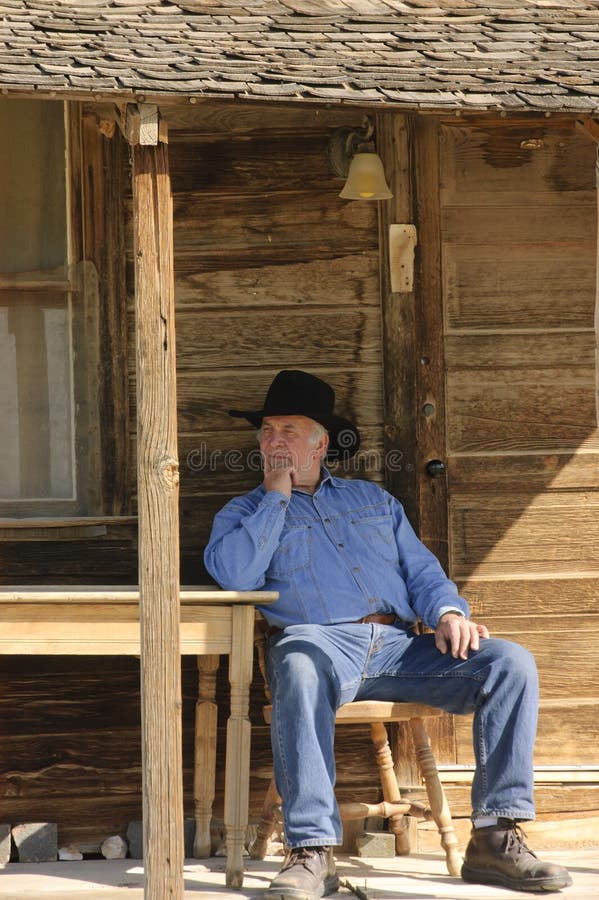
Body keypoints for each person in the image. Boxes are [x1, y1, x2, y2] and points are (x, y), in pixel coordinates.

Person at [204, 369, 572, 899]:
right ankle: (311, 853)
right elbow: (235, 576)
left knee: (510, 663)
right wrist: (276, 497)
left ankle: (494, 838)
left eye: (289, 429)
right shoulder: (242, 513)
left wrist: (448, 613)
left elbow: (422, 573)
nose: (274, 440)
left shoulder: (374, 502)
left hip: (401, 647)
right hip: (320, 646)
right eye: (267, 430)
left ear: (322, 442)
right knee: (299, 663)